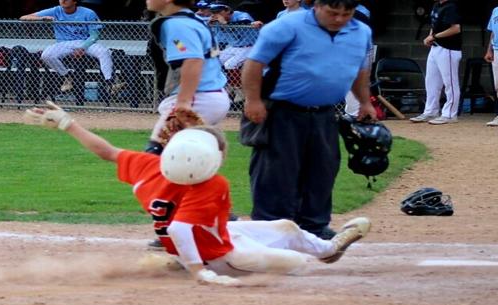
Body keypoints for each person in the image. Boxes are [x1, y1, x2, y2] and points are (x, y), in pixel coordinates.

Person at [21, 102, 372, 286]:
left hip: (214, 233)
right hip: (219, 254)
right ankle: (184, 264)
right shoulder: (210, 183)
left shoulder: (148, 166)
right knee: (297, 265)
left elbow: (107, 151)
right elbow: (179, 228)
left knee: (286, 227)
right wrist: (198, 271)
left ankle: (329, 249)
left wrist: (68, 124)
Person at [240, 0, 376, 238]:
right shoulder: (286, 26)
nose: (339, 19)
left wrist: (364, 102)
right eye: (333, 12)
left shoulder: (361, 32)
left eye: (347, 13)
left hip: (325, 113)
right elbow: (254, 63)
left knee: (322, 170)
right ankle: (271, 227)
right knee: (276, 173)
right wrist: (253, 100)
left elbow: (360, 71)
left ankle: (314, 227)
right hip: (281, 111)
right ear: (317, 6)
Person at [143, 0, 230, 154]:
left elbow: (192, 60)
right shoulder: (190, 19)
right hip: (210, 95)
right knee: (190, 159)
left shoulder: (177, 25)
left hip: (198, 97)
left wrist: (183, 102)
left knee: (156, 155)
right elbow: (186, 51)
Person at [20, 0, 123, 98]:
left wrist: (82, 48)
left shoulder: (88, 13)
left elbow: (94, 35)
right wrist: (42, 18)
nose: (63, 0)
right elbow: (23, 17)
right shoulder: (56, 10)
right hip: (64, 43)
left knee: (103, 52)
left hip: (85, 42)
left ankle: (110, 82)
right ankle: (68, 77)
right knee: (47, 55)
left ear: (75, 1)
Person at [411, 0, 461, 124]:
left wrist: (434, 37)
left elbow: (456, 28)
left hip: (449, 49)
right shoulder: (437, 5)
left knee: (450, 83)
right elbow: (434, 25)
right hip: (435, 48)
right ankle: (430, 111)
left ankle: (450, 114)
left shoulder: (451, 6)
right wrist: (430, 37)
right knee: (431, 82)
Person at [206, 2, 262, 105]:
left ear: (227, 10)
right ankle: (225, 87)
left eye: (218, 11)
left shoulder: (240, 15)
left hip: (251, 46)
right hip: (234, 47)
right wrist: (210, 26)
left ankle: (239, 91)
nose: (215, 14)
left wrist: (225, 23)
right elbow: (218, 41)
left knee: (229, 64)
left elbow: (245, 23)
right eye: (213, 12)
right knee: (214, 60)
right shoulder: (217, 22)